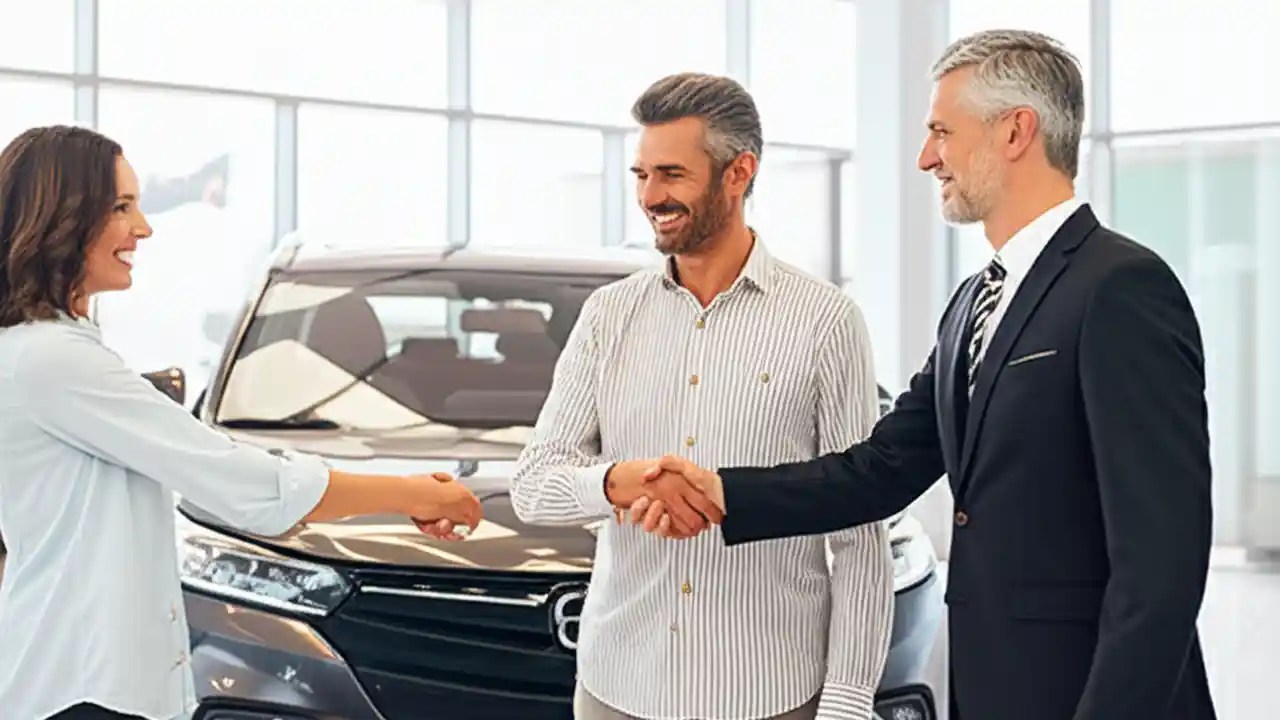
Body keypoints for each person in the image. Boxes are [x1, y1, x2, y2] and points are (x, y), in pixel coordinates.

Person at [632, 30, 1217, 720]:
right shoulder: (973, 300)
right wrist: (722, 491)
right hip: (991, 687)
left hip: (1087, 696)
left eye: (942, 130)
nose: (925, 157)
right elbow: (882, 468)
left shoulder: (1122, 288)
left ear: (1015, 131)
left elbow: (1161, 570)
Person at [0, 125, 484, 720]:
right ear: (63, 217)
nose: (143, 227)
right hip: (80, 689)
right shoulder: (56, 360)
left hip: (89, 679)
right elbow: (239, 479)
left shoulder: (53, 350)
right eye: (121, 207)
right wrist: (409, 493)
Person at [506, 73, 894, 720]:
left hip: (769, 691)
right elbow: (533, 484)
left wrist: (848, 702)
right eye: (640, 175)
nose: (650, 196)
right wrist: (616, 482)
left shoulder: (826, 322)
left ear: (738, 172)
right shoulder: (608, 316)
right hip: (617, 688)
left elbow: (858, 530)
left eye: (671, 175)